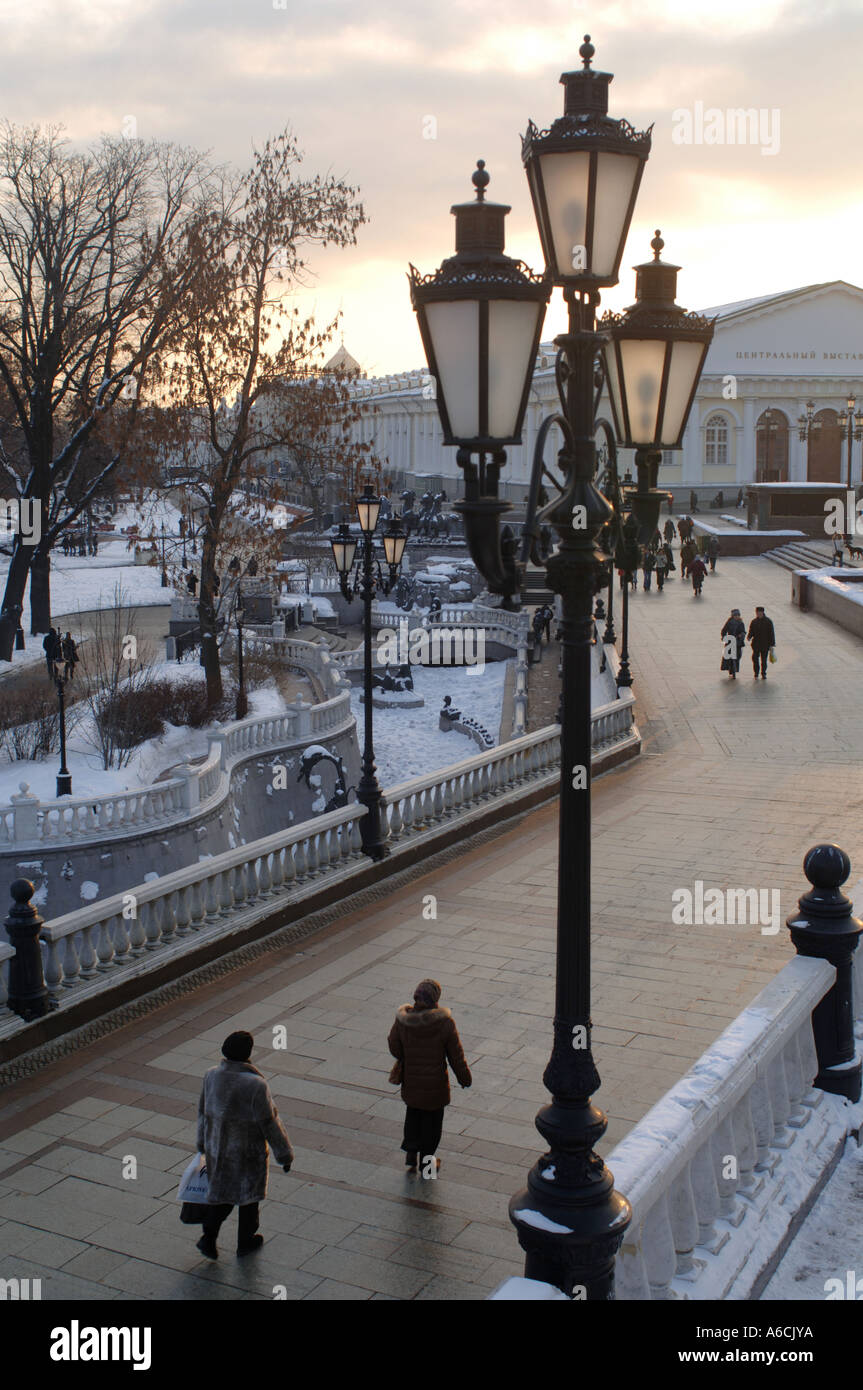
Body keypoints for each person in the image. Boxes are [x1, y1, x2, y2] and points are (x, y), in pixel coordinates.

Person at [195, 1030, 293, 1260]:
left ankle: (208, 1237)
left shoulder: (211, 1076)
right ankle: (245, 1241)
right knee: (249, 1198)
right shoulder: (256, 1085)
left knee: (222, 1195)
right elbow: (270, 1123)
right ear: (248, 1054)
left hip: (218, 1148)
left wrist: (202, 1143)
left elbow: (202, 1112)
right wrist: (285, 1155)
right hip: (247, 1152)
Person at [387, 978, 471, 1176]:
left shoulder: (403, 1020)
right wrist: (464, 1078)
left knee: (413, 1116)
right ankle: (427, 1168)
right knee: (432, 1128)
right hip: (435, 1088)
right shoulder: (444, 1023)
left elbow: (394, 1046)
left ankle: (410, 1152)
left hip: (412, 1084)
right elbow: (456, 1056)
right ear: (435, 999)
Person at [748, 606, 776, 679]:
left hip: (765, 645)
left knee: (764, 660)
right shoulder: (754, 622)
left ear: (763, 612)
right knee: (755, 659)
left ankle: (763, 673)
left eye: (759, 612)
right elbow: (751, 631)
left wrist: (772, 644)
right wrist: (749, 636)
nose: (758, 614)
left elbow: (771, 633)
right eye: (757, 613)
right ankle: (756, 673)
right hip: (756, 645)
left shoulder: (768, 622)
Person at [720, 608, 746, 679]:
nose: (736, 616)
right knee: (728, 657)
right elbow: (724, 630)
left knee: (737, 656)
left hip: (738, 642)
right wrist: (723, 636)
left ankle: (734, 669)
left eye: (738, 615)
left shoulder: (741, 623)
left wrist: (741, 635)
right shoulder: (729, 622)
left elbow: (743, 631)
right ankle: (730, 669)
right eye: (735, 615)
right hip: (730, 642)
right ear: (732, 616)